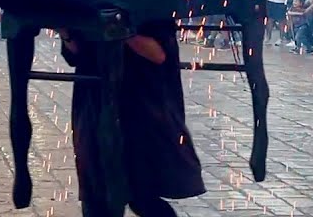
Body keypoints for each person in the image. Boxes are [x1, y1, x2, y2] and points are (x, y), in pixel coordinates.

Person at [61, 21, 205, 217]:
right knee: (97, 195)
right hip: (94, 104)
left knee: (142, 194)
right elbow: (76, 53)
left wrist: (121, 31)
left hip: (139, 107)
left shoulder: (150, 4)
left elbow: (159, 54)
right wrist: (65, 32)